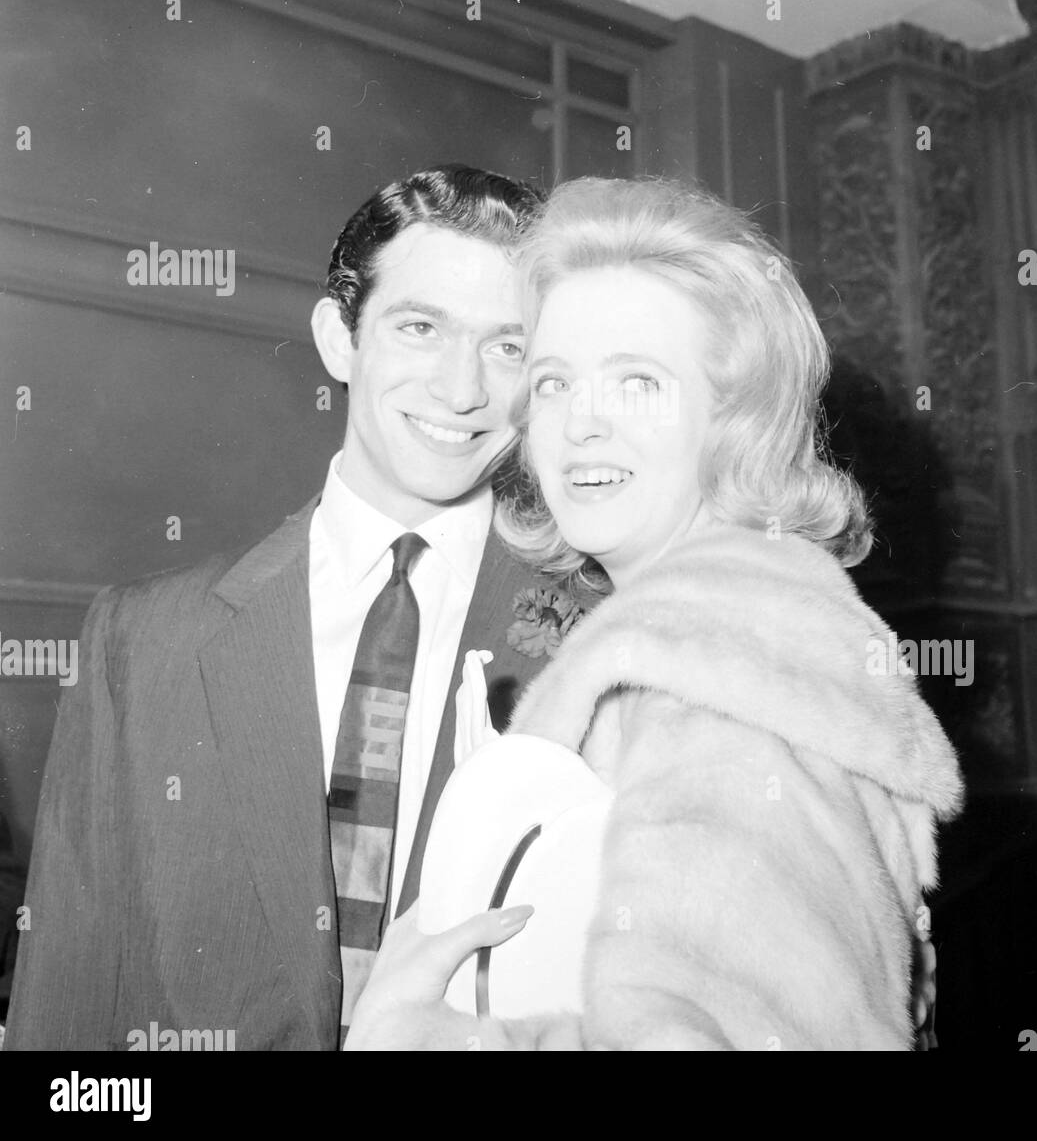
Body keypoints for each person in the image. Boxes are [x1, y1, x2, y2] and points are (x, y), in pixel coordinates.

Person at [344, 177, 963, 1051]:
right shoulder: (731, 634)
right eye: (554, 383)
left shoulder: (711, 678)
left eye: (637, 381)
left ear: (733, 419)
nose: (581, 425)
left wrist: (417, 1042)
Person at [3, 165, 569, 1051]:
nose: (463, 389)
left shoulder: (606, 636)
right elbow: (66, 1024)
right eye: (420, 327)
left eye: (508, 347)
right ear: (340, 341)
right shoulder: (143, 639)